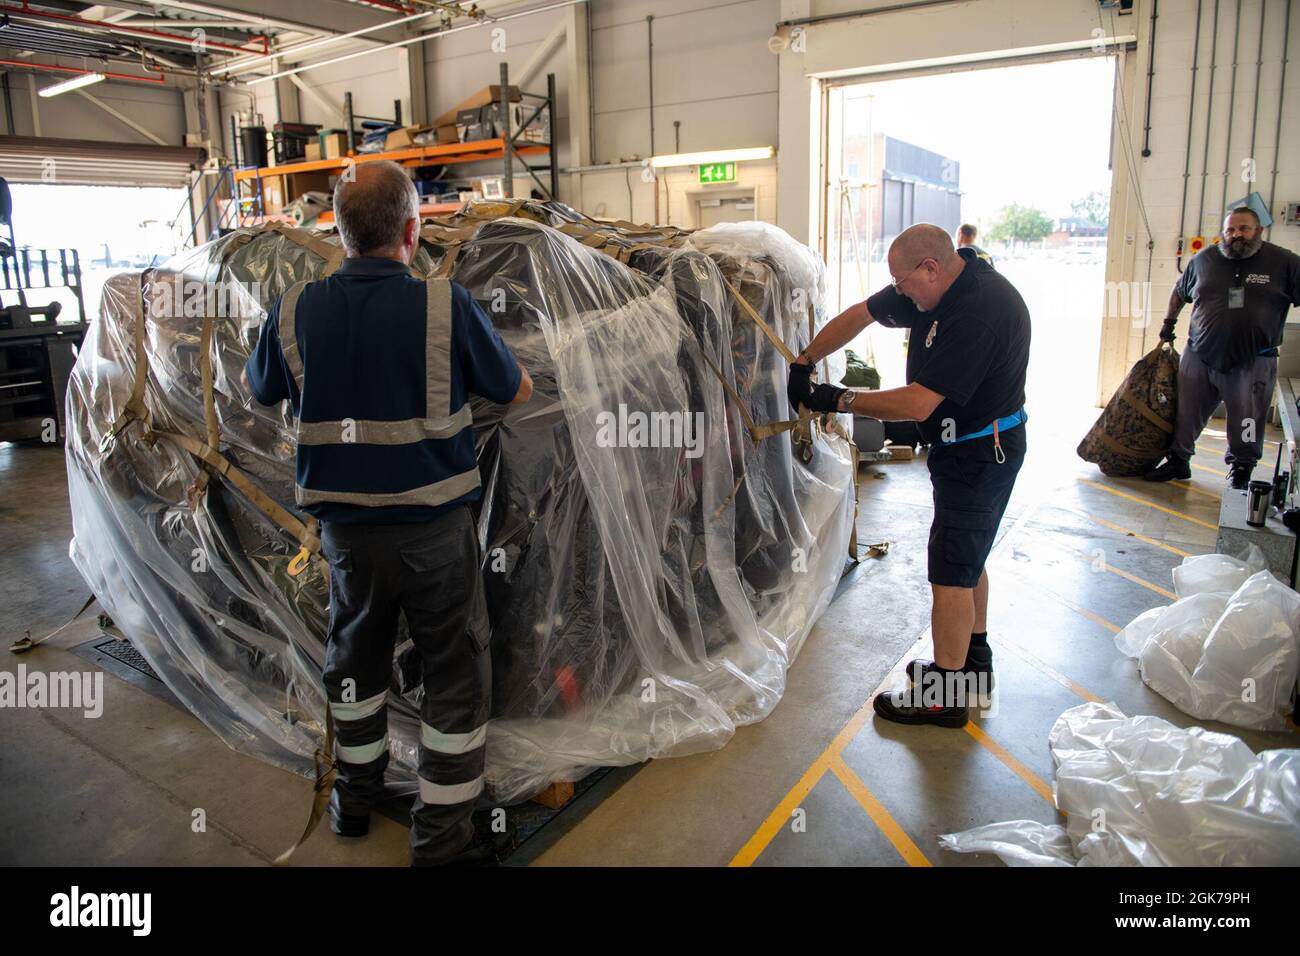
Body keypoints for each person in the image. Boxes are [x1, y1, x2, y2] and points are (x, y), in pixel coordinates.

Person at [243, 160, 533, 865]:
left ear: (338, 233)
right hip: (434, 533)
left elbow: (260, 393)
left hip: (346, 539)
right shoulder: (446, 306)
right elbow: (514, 389)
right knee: (455, 680)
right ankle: (442, 843)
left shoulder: (293, 310)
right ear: (412, 231)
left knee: (355, 667)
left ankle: (353, 801)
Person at [787, 224, 1030, 728]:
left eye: (903, 281)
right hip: (963, 447)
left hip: (981, 453)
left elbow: (919, 402)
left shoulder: (978, 313)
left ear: (931, 268)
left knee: (949, 575)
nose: (898, 291)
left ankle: (944, 697)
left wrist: (838, 398)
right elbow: (861, 315)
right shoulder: (933, 287)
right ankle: (969, 668)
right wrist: (806, 359)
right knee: (968, 562)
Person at [1144, 207, 1300, 489]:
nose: (1236, 235)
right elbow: (1180, 292)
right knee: (1186, 413)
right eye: (1230, 230)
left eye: (1244, 229)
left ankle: (1243, 467)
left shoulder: (1284, 263)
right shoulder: (1204, 259)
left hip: (1253, 360)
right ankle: (1179, 460)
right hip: (1200, 354)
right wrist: (1168, 324)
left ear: (1259, 231)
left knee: (1248, 419)